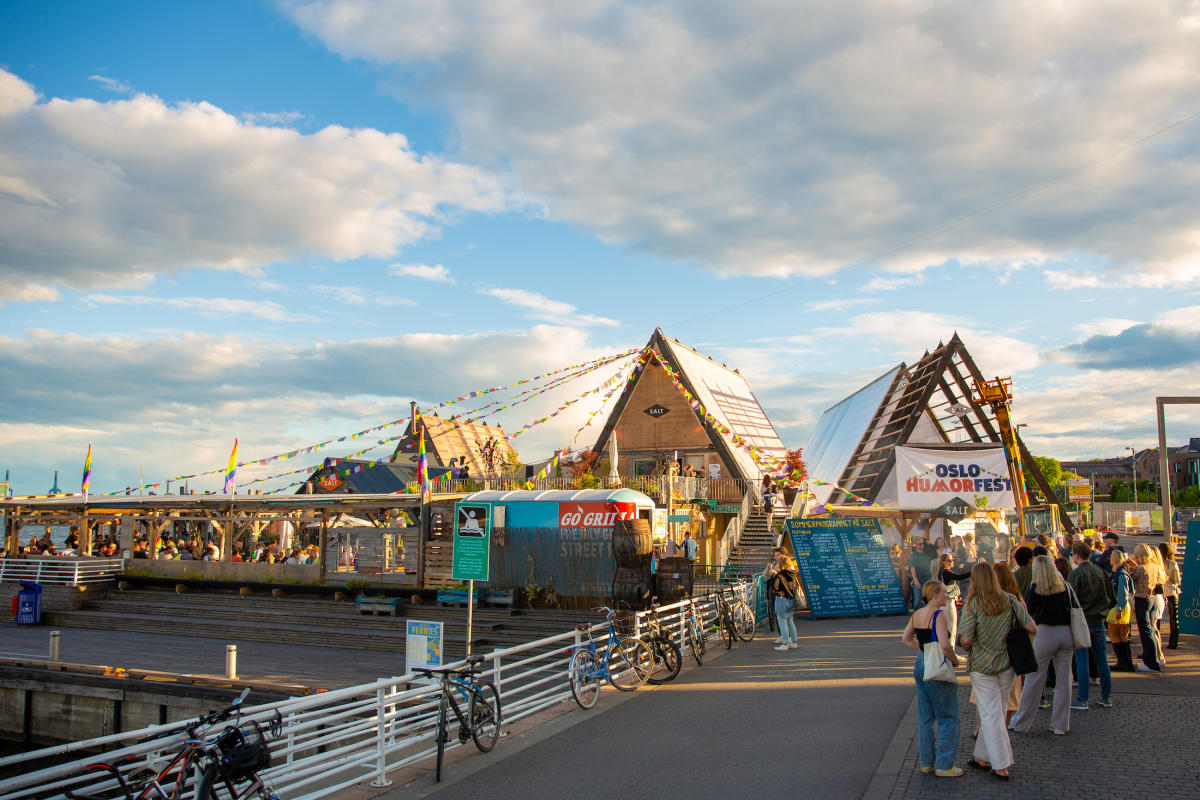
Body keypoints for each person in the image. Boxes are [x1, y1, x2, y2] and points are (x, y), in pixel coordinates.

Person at [959, 562, 1036, 780]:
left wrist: (970, 645)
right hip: (1007, 663)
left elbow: (966, 639)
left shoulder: (973, 604)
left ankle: (1001, 763)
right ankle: (982, 756)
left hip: (982, 664)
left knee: (990, 712)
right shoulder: (1010, 600)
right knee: (998, 710)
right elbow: (1032, 627)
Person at [900, 580, 963, 778]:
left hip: (921, 662)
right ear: (934, 595)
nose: (946, 595)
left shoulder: (917, 614)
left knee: (925, 717)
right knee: (948, 717)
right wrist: (955, 660)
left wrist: (923, 649)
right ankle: (944, 764)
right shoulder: (939, 615)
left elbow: (905, 638)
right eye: (944, 592)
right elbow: (944, 645)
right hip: (937, 665)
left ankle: (927, 762)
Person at [1010, 556, 1076, 735]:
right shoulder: (1065, 587)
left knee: (1034, 679)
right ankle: (1061, 725)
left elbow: (1028, 611)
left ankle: (1021, 722)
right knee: (1064, 680)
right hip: (1066, 632)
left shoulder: (1036, 588)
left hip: (1046, 632)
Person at [1067, 541, 1113, 709]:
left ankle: (1082, 698)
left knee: (1082, 660)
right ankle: (1106, 696)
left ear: (1076, 555)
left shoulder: (1076, 574)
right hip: (1099, 620)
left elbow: (1070, 599)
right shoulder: (1101, 572)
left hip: (1082, 620)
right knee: (1102, 659)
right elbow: (1112, 597)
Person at [1129, 544, 1163, 673]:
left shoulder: (1140, 569)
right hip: (1153, 599)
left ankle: (1150, 662)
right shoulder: (1154, 566)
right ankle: (1154, 659)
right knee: (1151, 630)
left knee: (1145, 631)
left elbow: (1130, 580)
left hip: (1142, 600)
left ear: (1138, 555)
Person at [765, 548, 799, 651]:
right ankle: (794, 642)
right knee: (790, 621)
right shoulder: (792, 573)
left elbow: (774, 585)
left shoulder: (780, 575)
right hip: (790, 598)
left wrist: (777, 590)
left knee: (782, 620)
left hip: (781, 599)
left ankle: (785, 643)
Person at [1107, 549, 1135, 672]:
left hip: (1118, 606)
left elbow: (1123, 592)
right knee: (1122, 635)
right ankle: (1127, 663)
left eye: (1111, 557)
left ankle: (1122, 662)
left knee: (1114, 634)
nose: (1110, 559)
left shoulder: (1120, 574)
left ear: (1115, 559)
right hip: (1122, 606)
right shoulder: (1121, 573)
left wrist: (1120, 608)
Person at [1160, 542, 1181, 650]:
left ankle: (1157, 642)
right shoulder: (1173, 564)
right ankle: (1173, 642)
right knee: (1174, 618)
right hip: (1171, 592)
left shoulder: (1157, 563)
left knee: (1156, 618)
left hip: (1159, 592)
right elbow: (1177, 580)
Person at [909, 540, 935, 610]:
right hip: (918, 580)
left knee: (926, 600)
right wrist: (915, 580)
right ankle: (916, 614)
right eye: (919, 544)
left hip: (927, 579)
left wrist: (930, 544)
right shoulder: (913, 555)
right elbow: (912, 568)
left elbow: (935, 555)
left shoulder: (927, 554)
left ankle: (925, 614)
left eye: (922, 544)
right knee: (917, 602)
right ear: (916, 545)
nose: (921, 545)